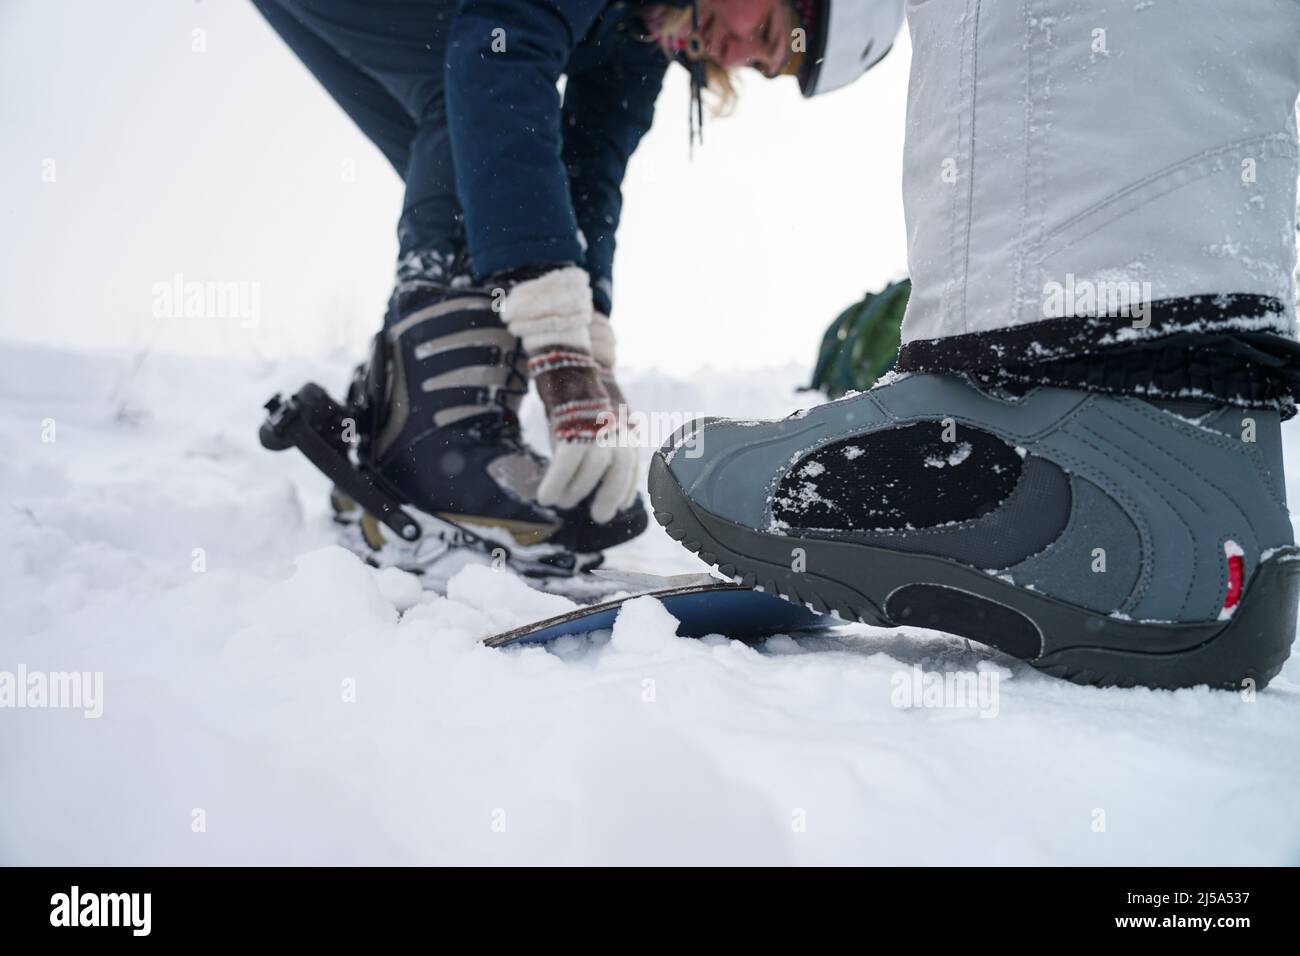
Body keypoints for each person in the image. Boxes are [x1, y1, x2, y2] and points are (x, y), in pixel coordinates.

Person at [649, 0, 1300, 689]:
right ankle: (1188, 487)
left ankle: (1040, 395)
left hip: (1026, 354)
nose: (741, 51)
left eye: (775, 42)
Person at [253, 0, 904, 577]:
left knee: (485, 151)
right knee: (484, 93)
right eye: (762, 29)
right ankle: (432, 450)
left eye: (761, 63)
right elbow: (502, 42)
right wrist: (554, 337)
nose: (734, 57)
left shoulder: (642, 37)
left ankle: (421, 439)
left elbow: (590, 176)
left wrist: (588, 354)